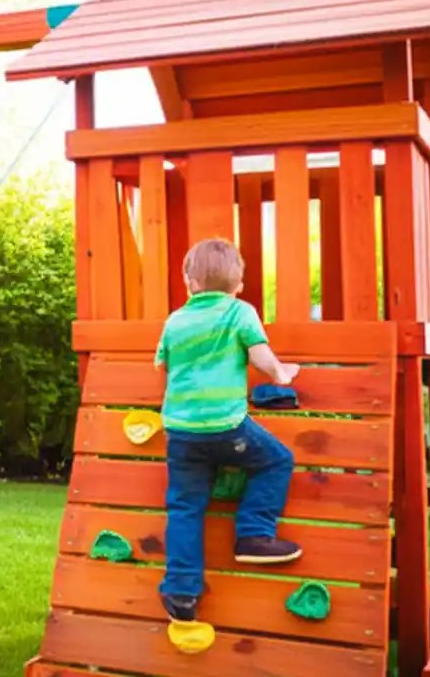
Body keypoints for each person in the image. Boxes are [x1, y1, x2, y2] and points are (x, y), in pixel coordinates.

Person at [153, 238, 302, 624]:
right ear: (238, 284)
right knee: (276, 460)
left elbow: (165, 368)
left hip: (181, 432)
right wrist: (281, 374)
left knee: (184, 507)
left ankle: (181, 594)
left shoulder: (175, 321)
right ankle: (253, 534)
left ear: (189, 281)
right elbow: (259, 356)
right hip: (226, 426)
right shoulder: (240, 312)